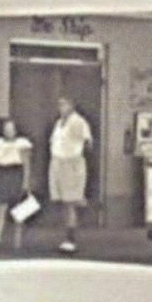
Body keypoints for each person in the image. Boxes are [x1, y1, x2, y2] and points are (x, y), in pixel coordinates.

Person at [48, 96, 94, 254]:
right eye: (59, 104)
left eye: (64, 104)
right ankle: (66, 236)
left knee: (70, 202)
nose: (61, 107)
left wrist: (77, 159)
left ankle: (71, 238)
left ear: (72, 106)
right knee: (62, 202)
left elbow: (88, 142)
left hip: (71, 162)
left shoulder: (78, 122)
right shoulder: (58, 123)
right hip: (57, 162)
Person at [0, 118, 34, 249]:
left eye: (11, 128)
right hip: (2, 173)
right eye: (6, 128)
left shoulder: (22, 143)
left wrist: (26, 182)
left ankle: (17, 240)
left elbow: (26, 164)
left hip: (16, 173)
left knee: (19, 207)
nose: (8, 131)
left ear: (15, 130)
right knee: (1, 206)